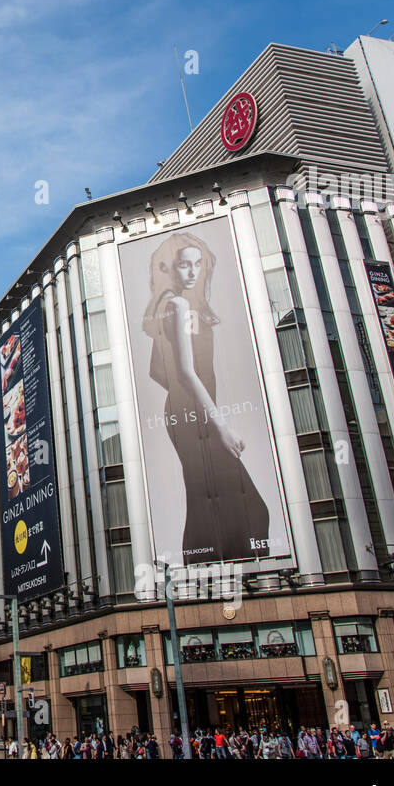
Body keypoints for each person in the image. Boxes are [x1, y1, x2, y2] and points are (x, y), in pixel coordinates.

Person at [140, 230, 271, 564]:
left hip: (185, 411)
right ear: (170, 268)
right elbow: (184, 371)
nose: (193, 272)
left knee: (204, 498)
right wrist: (222, 425)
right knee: (243, 505)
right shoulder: (178, 304)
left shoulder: (169, 305)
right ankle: (218, 573)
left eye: (198, 264)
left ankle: (200, 574)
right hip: (196, 414)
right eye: (185, 265)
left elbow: (159, 371)